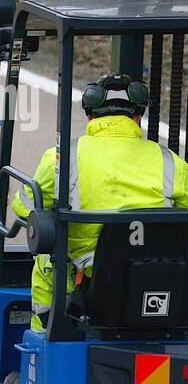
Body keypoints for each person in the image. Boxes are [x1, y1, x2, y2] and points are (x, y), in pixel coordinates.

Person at [11, 73, 188, 331]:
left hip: (95, 277)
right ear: (138, 117)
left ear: (90, 117)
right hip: (163, 276)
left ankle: (49, 338)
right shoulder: (171, 161)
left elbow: (24, 206)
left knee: (46, 261)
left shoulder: (61, 158)